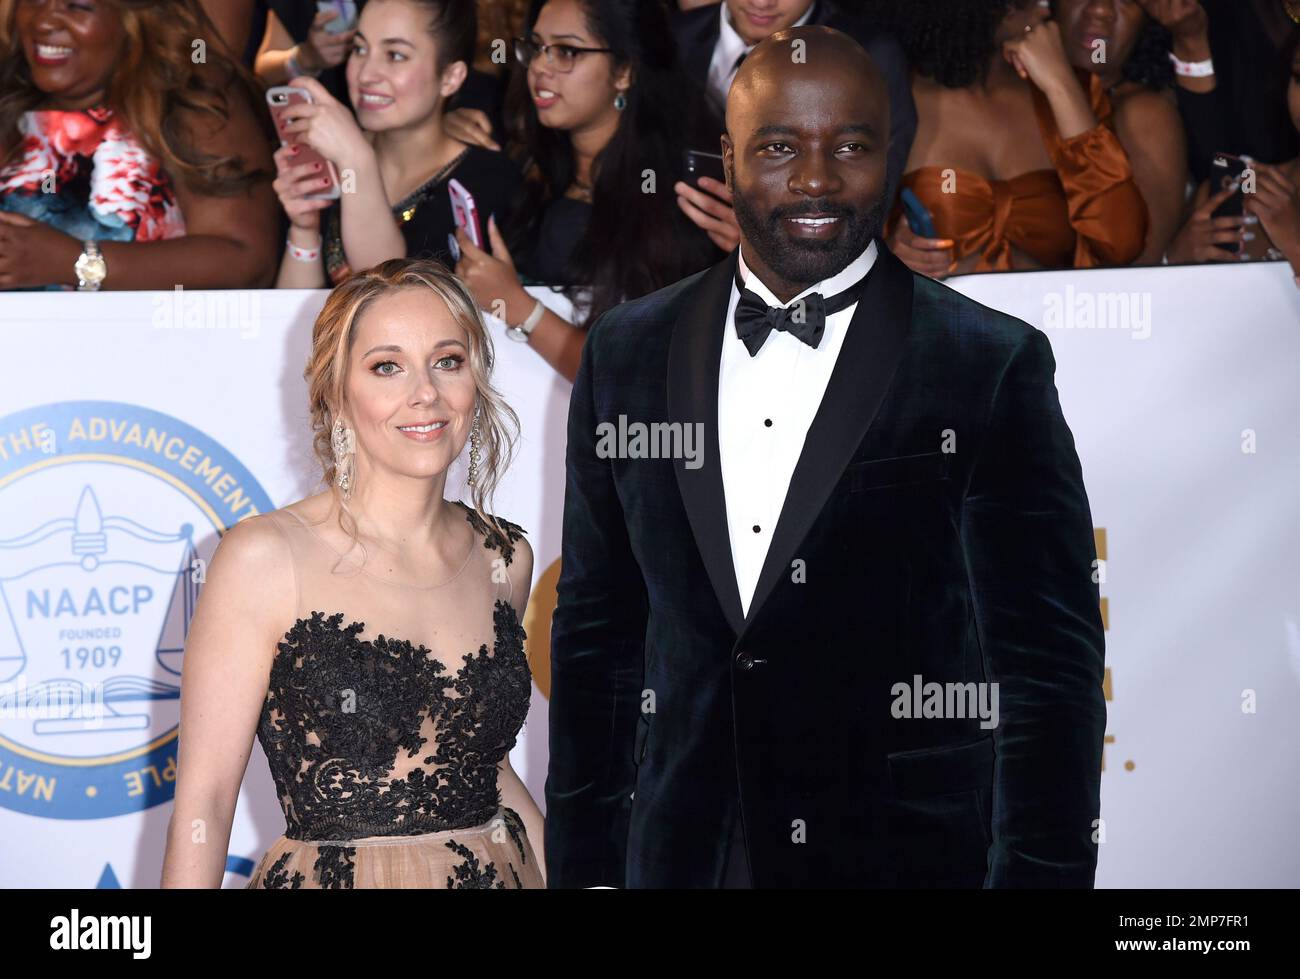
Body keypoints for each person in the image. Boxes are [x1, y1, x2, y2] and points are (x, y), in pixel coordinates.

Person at [545, 25, 1107, 888]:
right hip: (684, 855)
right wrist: (587, 869)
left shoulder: (986, 362)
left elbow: (1046, 673)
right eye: (778, 147)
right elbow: (597, 643)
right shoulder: (627, 353)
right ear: (727, 157)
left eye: (849, 146)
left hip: (906, 860)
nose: (814, 178)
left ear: (891, 155)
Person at [161, 258, 545, 889]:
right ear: (337, 392)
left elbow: (483, 765)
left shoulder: (503, 555)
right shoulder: (264, 557)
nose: (425, 392)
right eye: (386, 366)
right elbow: (203, 803)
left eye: (447, 361)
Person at [451, 0, 718, 383]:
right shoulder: (528, 160)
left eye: (566, 51)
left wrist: (519, 307)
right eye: (537, 47)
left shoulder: (672, 199)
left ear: (624, 71)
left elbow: (636, 371)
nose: (540, 67)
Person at [0, 0, 278, 290]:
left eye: (77, 6)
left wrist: (77, 262)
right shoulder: (9, 102)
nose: (43, 22)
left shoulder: (190, 101)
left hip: (152, 333)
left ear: (133, 17)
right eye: (33, 1)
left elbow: (247, 260)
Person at [885, 0, 1147, 279]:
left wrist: (1061, 83)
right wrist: (889, 254)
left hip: (1055, 319)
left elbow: (1122, 243)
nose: (1044, 12)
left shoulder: (1073, 92)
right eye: (1024, 4)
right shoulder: (896, 94)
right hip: (933, 320)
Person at [272, 0, 522, 288]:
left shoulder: (485, 182)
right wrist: (304, 229)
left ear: (451, 78)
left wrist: (356, 159)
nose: (366, 74)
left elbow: (388, 295)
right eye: (360, 49)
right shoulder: (327, 162)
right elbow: (290, 315)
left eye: (395, 55)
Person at [667, 0, 917, 253]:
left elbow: (867, 212)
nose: (762, 3)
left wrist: (771, 247)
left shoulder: (870, 54)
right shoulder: (667, 35)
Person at [1055, 0, 1187, 265]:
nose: (1101, 9)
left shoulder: (1147, 114)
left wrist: (1056, 80)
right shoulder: (1009, 102)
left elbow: (1141, 262)